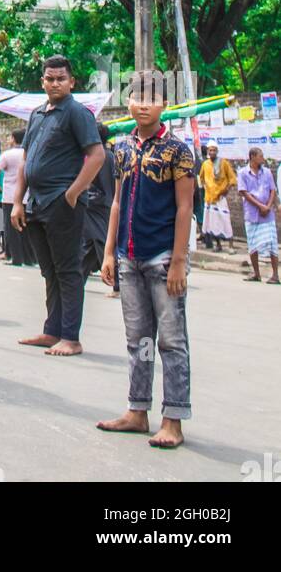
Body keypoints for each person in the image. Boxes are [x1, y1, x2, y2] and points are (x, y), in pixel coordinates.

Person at [97, 71, 195, 449]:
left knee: (171, 341)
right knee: (138, 340)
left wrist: (179, 262)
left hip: (162, 258)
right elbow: (117, 203)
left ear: (164, 105)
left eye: (151, 98)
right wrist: (109, 252)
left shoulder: (178, 150)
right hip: (128, 257)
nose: (142, 104)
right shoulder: (122, 149)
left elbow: (185, 208)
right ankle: (137, 411)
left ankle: (174, 419)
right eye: (136, 96)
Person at [12, 55, 104, 356]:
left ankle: (71, 337)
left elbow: (97, 155)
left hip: (62, 203)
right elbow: (26, 161)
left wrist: (73, 193)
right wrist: (17, 202)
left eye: (60, 78)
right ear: (42, 82)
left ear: (71, 82)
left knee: (68, 270)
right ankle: (52, 331)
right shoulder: (38, 114)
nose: (54, 83)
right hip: (36, 204)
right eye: (49, 79)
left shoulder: (77, 113)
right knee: (49, 270)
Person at [237, 147, 279, 283]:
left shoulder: (266, 172)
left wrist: (267, 206)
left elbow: (273, 190)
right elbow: (244, 192)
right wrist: (260, 206)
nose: (263, 158)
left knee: (272, 244)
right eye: (260, 156)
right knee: (253, 244)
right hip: (252, 213)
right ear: (252, 157)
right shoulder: (243, 173)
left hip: (267, 214)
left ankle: (275, 275)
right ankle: (257, 273)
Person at [81, 122, 115, 283]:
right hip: (105, 202)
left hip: (95, 202)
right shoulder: (110, 155)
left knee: (99, 239)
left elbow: (90, 180)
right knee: (89, 242)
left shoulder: (97, 155)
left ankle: (115, 281)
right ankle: (78, 278)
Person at [0, 130, 34, 266]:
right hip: (27, 196)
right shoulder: (30, 153)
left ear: (13, 139)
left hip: (10, 197)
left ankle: (16, 258)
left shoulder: (7, 154)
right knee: (26, 229)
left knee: (12, 229)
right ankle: (29, 258)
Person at [198, 141, 236, 252]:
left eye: (214, 150)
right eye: (210, 150)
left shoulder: (223, 163)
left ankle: (231, 246)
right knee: (213, 223)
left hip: (220, 198)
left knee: (225, 220)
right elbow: (201, 178)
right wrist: (205, 188)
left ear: (217, 151)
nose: (212, 152)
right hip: (209, 198)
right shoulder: (205, 164)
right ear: (208, 152)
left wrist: (226, 190)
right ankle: (218, 245)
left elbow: (232, 179)